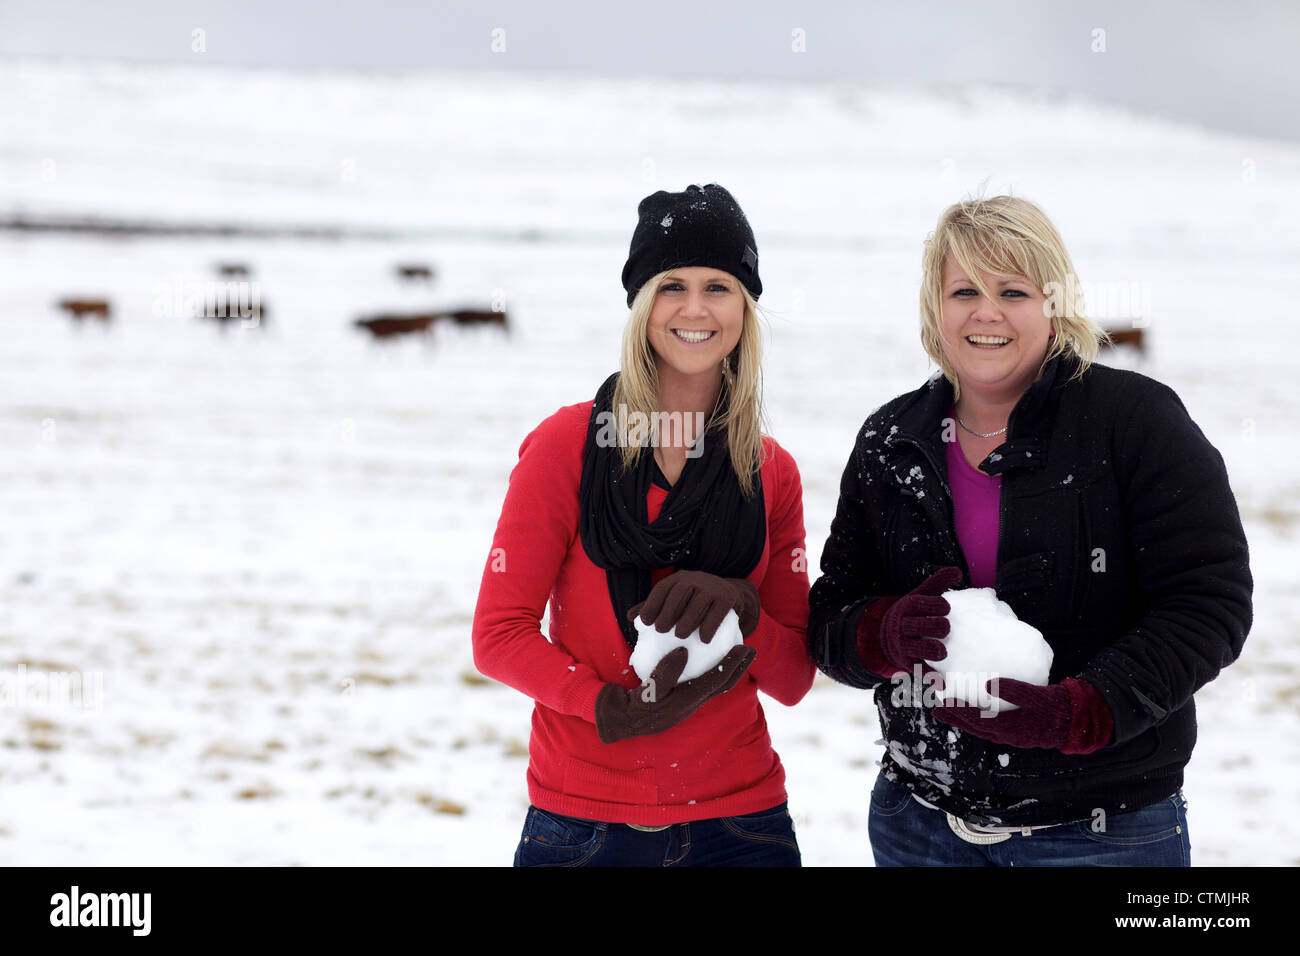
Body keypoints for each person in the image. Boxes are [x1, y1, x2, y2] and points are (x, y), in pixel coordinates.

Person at [808, 195, 1252, 866]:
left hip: (1101, 831)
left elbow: (1208, 604)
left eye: (1012, 290)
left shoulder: (1134, 422)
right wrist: (881, 632)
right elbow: (829, 616)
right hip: (918, 826)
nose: (985, 312)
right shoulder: (890, 440)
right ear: (936, 307)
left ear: (1053, 303)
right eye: (964, 290)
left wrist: (1081, 712)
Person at [473, 184, 815, 866]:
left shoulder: (769, 471)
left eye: (719, 286)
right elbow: (498, 635)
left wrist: (743, 612)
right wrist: (605, 707)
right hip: (583, 826)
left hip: (742, 827)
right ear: (640, 304)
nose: (695, 309)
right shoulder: (566, 446)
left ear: (744, 310)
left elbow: (793, 678)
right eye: (672, 285)